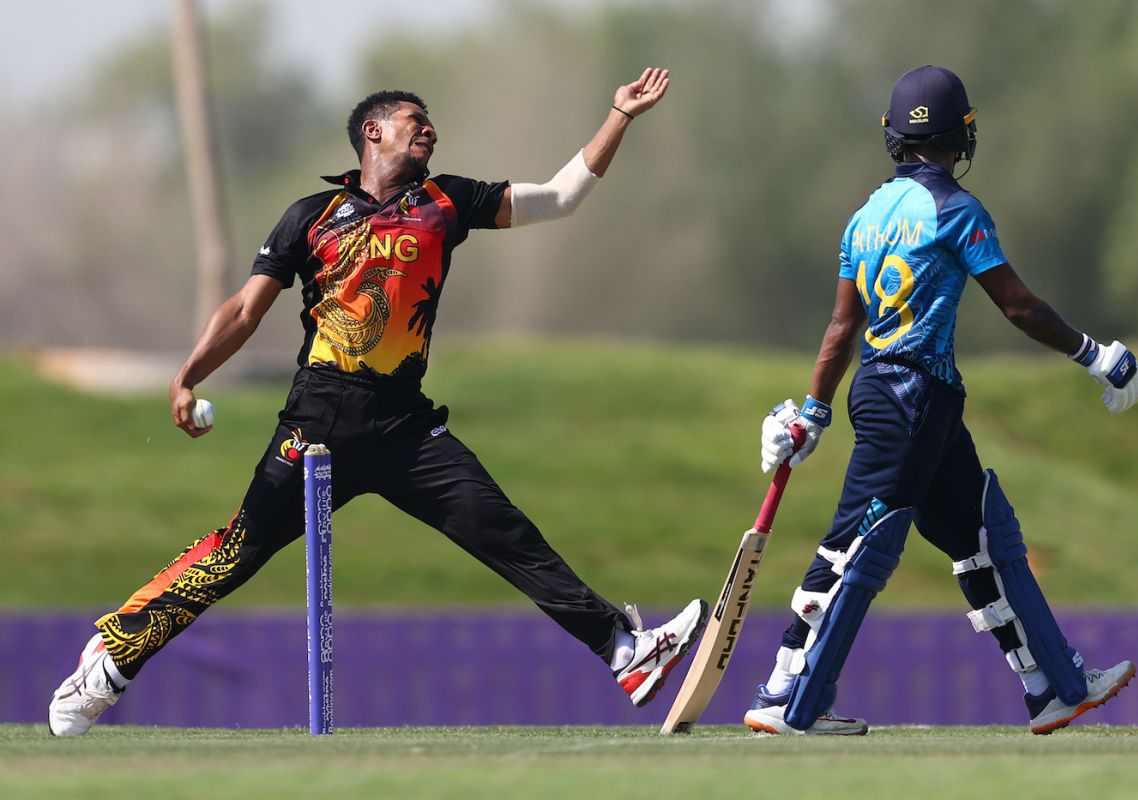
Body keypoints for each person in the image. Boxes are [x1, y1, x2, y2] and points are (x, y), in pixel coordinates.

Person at [49, 67, 707, 736]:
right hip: (319, 419)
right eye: (414, 120)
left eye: (432, 125)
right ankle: (111, 656)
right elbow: (247, 310)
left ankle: (624, 651)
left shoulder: (447, 201)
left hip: (404, 425)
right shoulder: (311, 215)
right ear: (373, 131)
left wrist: (618, 116)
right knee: (236, 553)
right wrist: (188, 376)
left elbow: (561, 197)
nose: (430, 130)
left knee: (504, 531)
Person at [744, 65, 1138, 737]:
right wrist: (1094, 355)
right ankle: (790, 695)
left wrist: (814, 409)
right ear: (962, 133)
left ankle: (1054, 686)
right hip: (914, 399)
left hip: (895, 394)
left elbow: (843, 327)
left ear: (894, 136)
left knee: (983, 534)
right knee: (858, 543)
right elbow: (1017, 306)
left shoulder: (865, 215)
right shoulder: (958, 210)